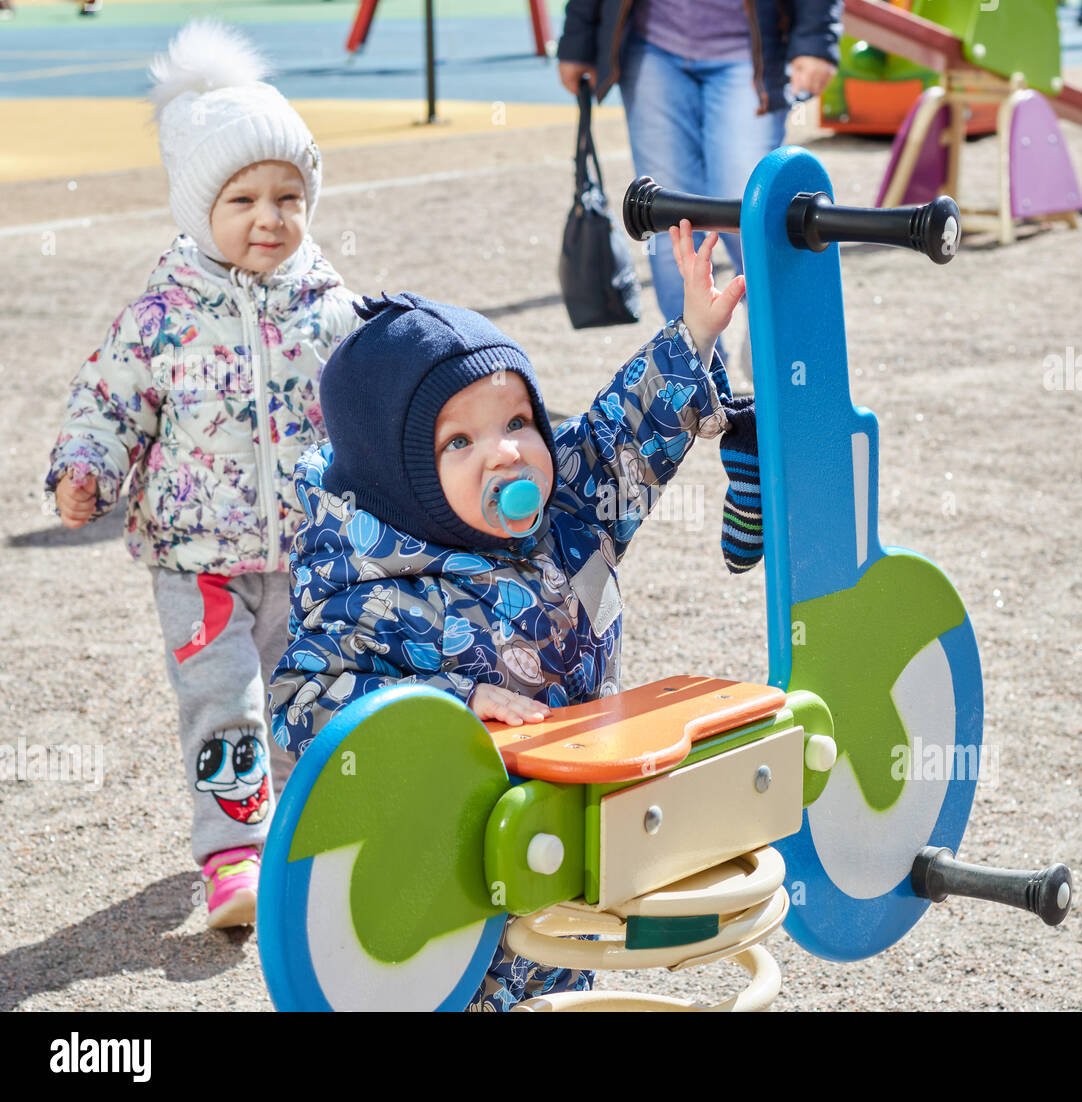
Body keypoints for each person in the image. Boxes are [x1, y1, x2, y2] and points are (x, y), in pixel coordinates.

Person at [268, 222, 761, 1010]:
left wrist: (694, 335)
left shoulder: (568, 510)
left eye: (517, 422)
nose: (505, 454)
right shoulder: (367, 582)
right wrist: (453, 709)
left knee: (564, 965)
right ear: (401, 481)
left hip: (562, 838)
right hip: (447, 879)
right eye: (458, 441)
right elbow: (300, 701)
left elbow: (624, 435)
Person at [44, 21, 360, 928]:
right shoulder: (162, 316)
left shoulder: (330, 308)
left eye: (289, 196)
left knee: (305, 693)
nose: (271, 218)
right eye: (244, 198)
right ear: (200, 210)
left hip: (304, 552)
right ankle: (233, 856)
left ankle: (303, 835)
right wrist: (85, 473)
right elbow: (106, 402)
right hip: (198, 563)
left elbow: (372, 408)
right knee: (226, 704)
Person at [555, 1, 840, 344]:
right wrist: (578, 39)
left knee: (751, 207)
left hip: (750, 50)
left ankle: (774, 339)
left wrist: (815, 40)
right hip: (653, 45)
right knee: (668, 220)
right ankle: (693, 367)